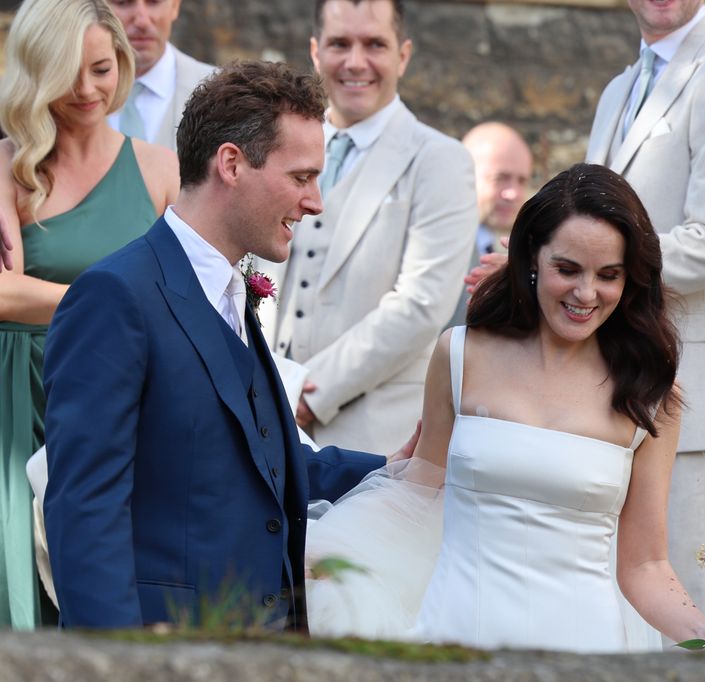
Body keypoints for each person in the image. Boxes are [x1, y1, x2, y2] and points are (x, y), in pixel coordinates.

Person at [305, 163, 705, 652]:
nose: (586, 293)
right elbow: (419, 487)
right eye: (567, 270)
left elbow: (644, 566)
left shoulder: (650, 395)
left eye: (608, 275)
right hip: (456, 641)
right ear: (532, 256)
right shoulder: (461, 354)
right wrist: (326, 551)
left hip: (585, 652)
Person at [42, 60, 402, 630]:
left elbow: (260, 463)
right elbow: (85, 507)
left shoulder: (234, 294)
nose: (315, 202)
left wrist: (396, 468)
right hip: (163, 646)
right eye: (301, 177)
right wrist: (114, 660)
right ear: (231, 164)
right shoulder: (115, 297)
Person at [584, 0, 705, 625]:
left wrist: (584, 266)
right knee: (621, 616)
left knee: (694, 621)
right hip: (617, 388)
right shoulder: (618, 90)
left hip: (699, 401)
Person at [0, 0, 178, 629]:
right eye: (64, 72)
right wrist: (110, 302)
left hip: (120, 398)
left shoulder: (160, 169)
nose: (85, 89)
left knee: (107, 584)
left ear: (122, 64)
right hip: (16, 399)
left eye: (101, 69)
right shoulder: (8, 167)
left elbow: (187, 296)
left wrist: (57, 297)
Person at [260, 0, 477, 455]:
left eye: (374, 44)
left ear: (403, 55)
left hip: (370, 438)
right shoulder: (274, 147)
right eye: (340, 44)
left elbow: (421, 304)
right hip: (259, 419)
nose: (355, 62)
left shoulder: (440, 160)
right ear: (316, 52)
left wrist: (307, 394)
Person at [448, 122, 533, 327]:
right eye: (500, 178)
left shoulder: (531, 251)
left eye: (522, 181)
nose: (513, 193)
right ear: (463, 176)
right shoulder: (431, 240)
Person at [107, 0, 216, 150]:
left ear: (175, 6)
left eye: (154, 2)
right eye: (123, 2)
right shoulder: (74, 92)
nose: (142, 21)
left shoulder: (219, 91)